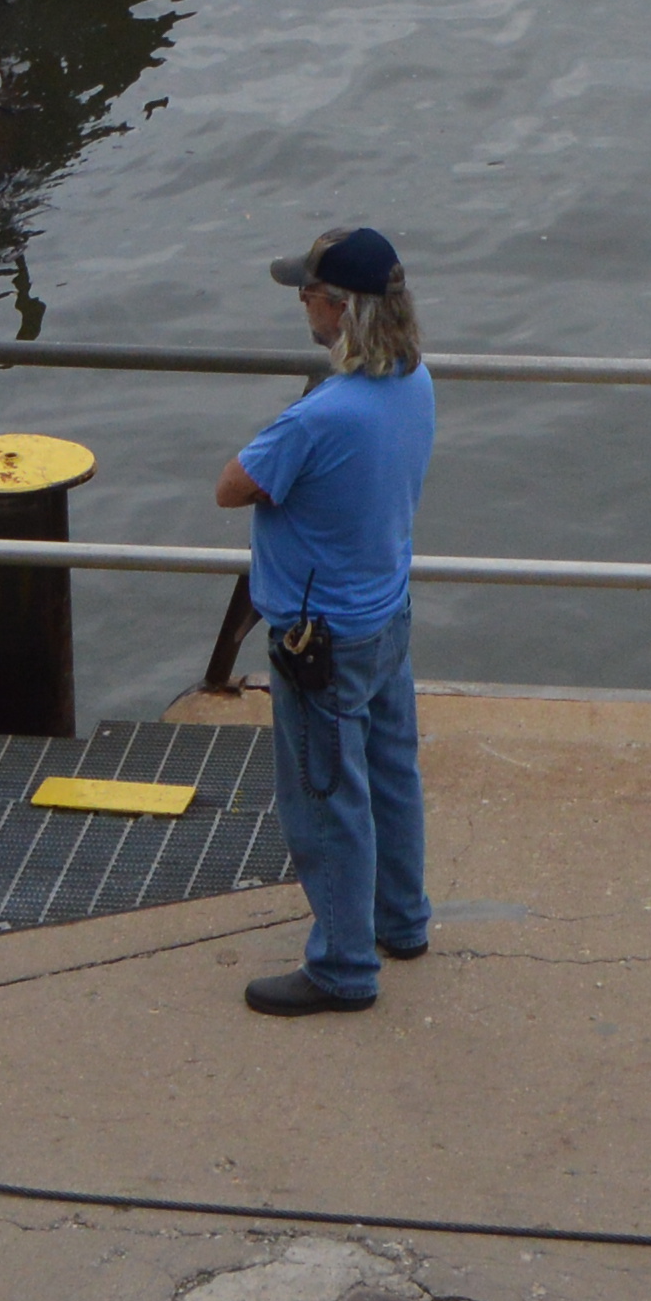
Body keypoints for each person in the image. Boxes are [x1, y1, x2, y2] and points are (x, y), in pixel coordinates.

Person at [216, 224, 430, 1012]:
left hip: (319, 637)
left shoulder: (323, 414)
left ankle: (342, 968)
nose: (300, 301)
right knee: (390, 774)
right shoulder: (416, 382)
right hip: (385, 613)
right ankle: (401, 922)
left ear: (338, 309)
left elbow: (232, 486)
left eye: (306, 292)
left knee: (324, 798)